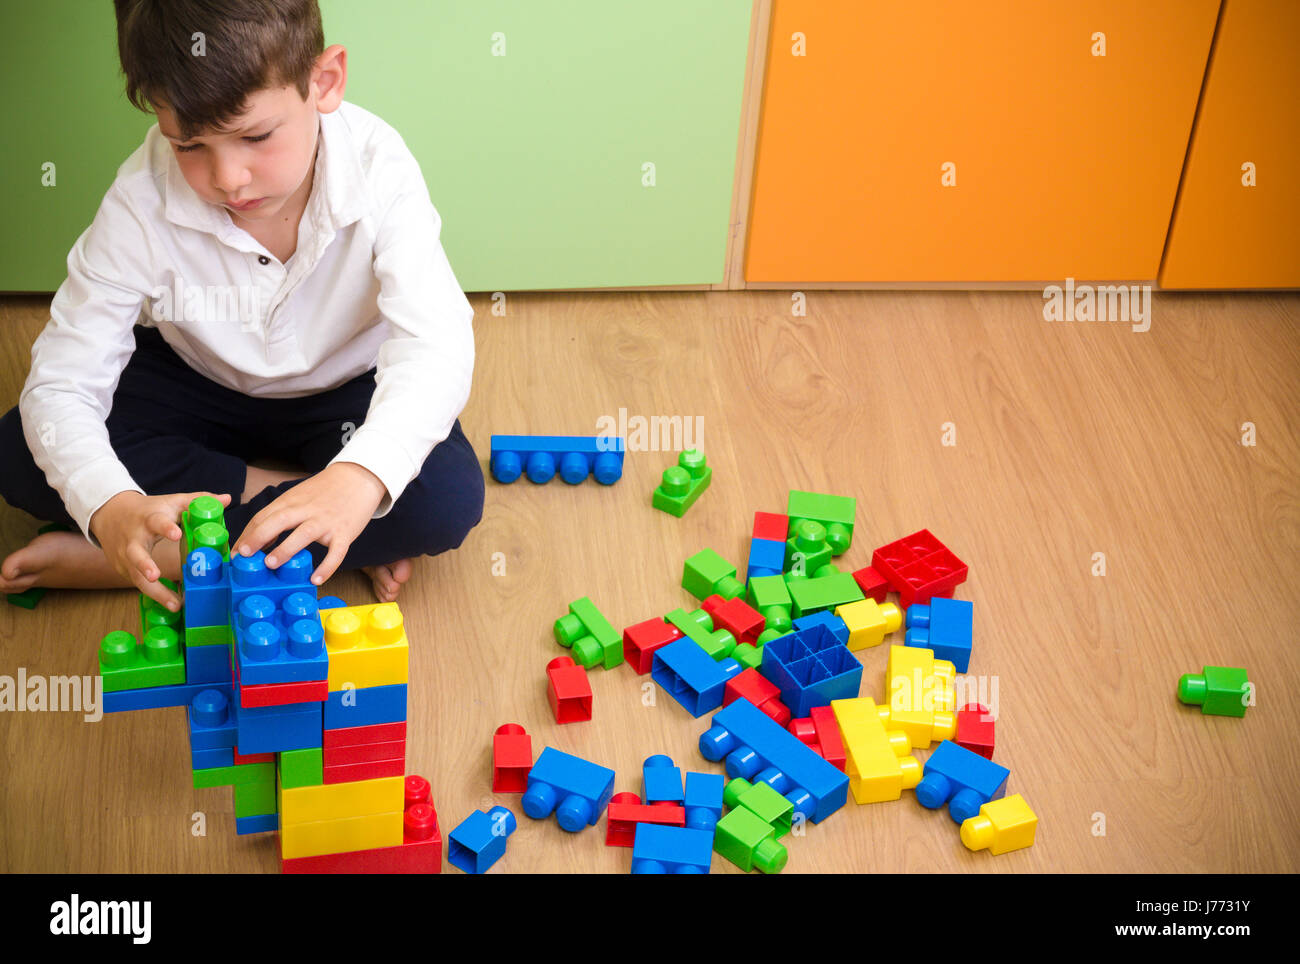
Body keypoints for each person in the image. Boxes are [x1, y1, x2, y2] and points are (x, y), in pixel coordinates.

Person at [0, 0, 483, 611]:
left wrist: (358, 479)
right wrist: (110, 508)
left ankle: (166, 557)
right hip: (197, 378)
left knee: (445, 499)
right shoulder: (139, 199)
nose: (228, 179)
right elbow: (63, 386)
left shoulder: (378, 165)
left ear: (323, 82)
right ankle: (290, 511)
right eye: (188, 145)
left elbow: (435, 344)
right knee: (19, 452)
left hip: (343, 390)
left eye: (256, 136)